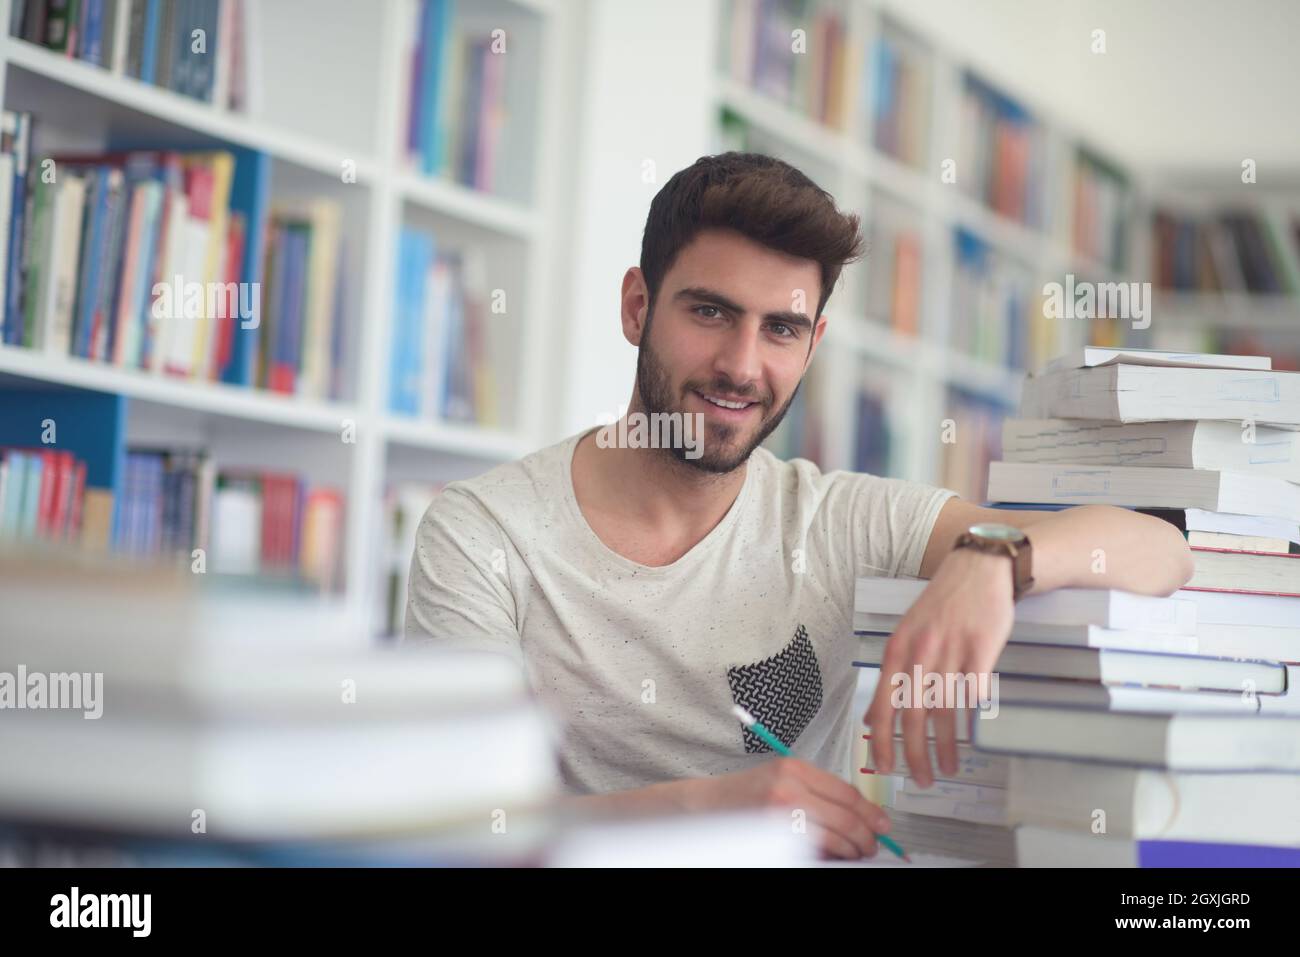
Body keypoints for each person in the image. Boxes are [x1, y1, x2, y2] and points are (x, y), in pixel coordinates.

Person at [404, 152, 1193, 859]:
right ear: (637, 307)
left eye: (778, 328)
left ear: (811, 344)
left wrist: (994, 556)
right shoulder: (485, 531)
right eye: (709, 311)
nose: (741, 365)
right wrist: (709, 807)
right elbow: (458, 822)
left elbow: (1160, 548)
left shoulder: (839, 521)